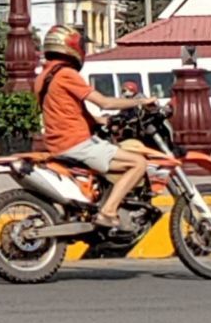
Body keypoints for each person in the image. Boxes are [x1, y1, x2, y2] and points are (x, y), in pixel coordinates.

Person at [35, 25, 153, 230]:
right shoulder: (66, 74)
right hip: (76, 143)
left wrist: (101, 121)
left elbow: (67, 110)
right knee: (138, 163)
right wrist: (141, 102)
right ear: (72, 47)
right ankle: (108, 212)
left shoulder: (44, 76)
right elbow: (104, 103)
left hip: (58, 141)